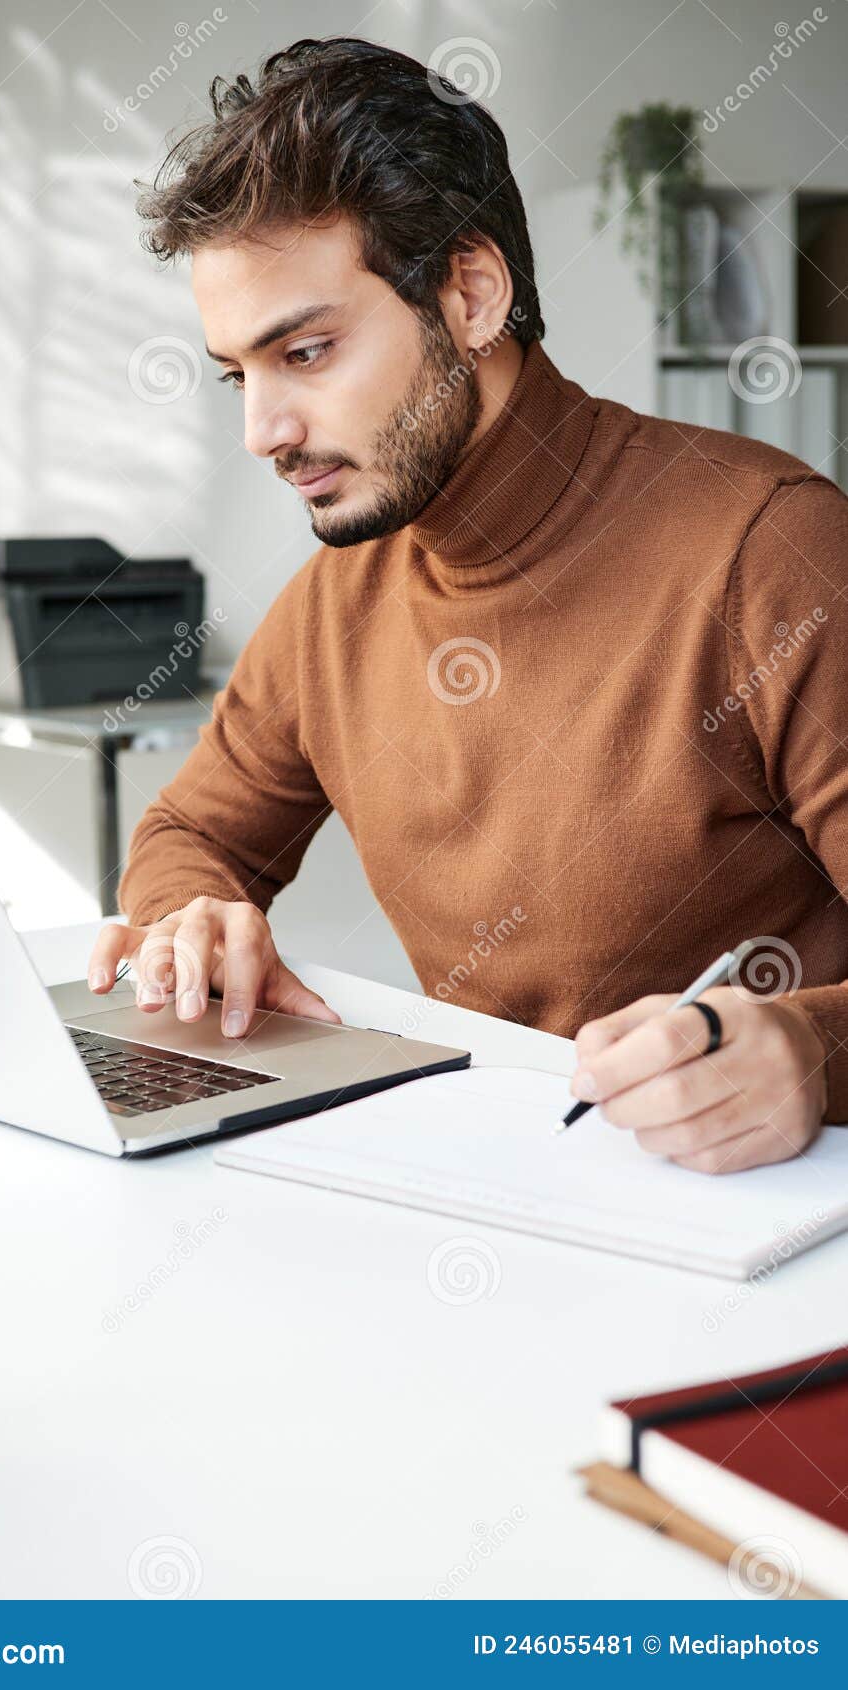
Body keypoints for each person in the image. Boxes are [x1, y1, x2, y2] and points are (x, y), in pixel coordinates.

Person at [87, 36, 848, 1174]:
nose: (263, 432)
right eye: (241, 375)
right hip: (501, 1200)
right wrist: (190, 916)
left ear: (471, 294)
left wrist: (808, 1049)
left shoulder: (768, 548)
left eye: (306, 350)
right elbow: (187, 833)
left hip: (757, 1231)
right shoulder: (328, 607)